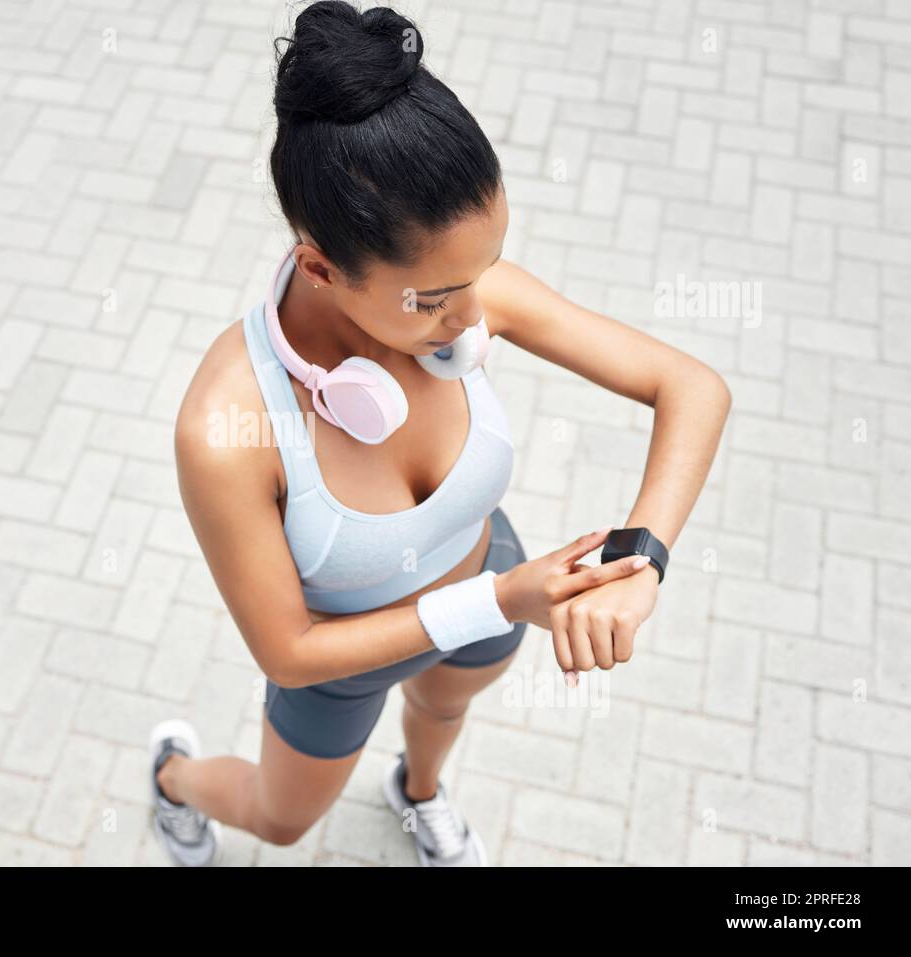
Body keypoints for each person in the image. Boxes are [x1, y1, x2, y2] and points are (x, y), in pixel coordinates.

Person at [151, 0, 731, 867]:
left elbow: (691, 386)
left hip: (496, 583)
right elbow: (289, 650)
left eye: (483, 272)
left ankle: (417, 794)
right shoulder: (225, 427)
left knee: (444, 714)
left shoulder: (462, 295)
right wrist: (499, 602)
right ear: (319, 266)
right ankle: (171, 780)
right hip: (354, 656)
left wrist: (641, 557)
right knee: (279, 821)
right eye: (432, 298)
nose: (475, 321)